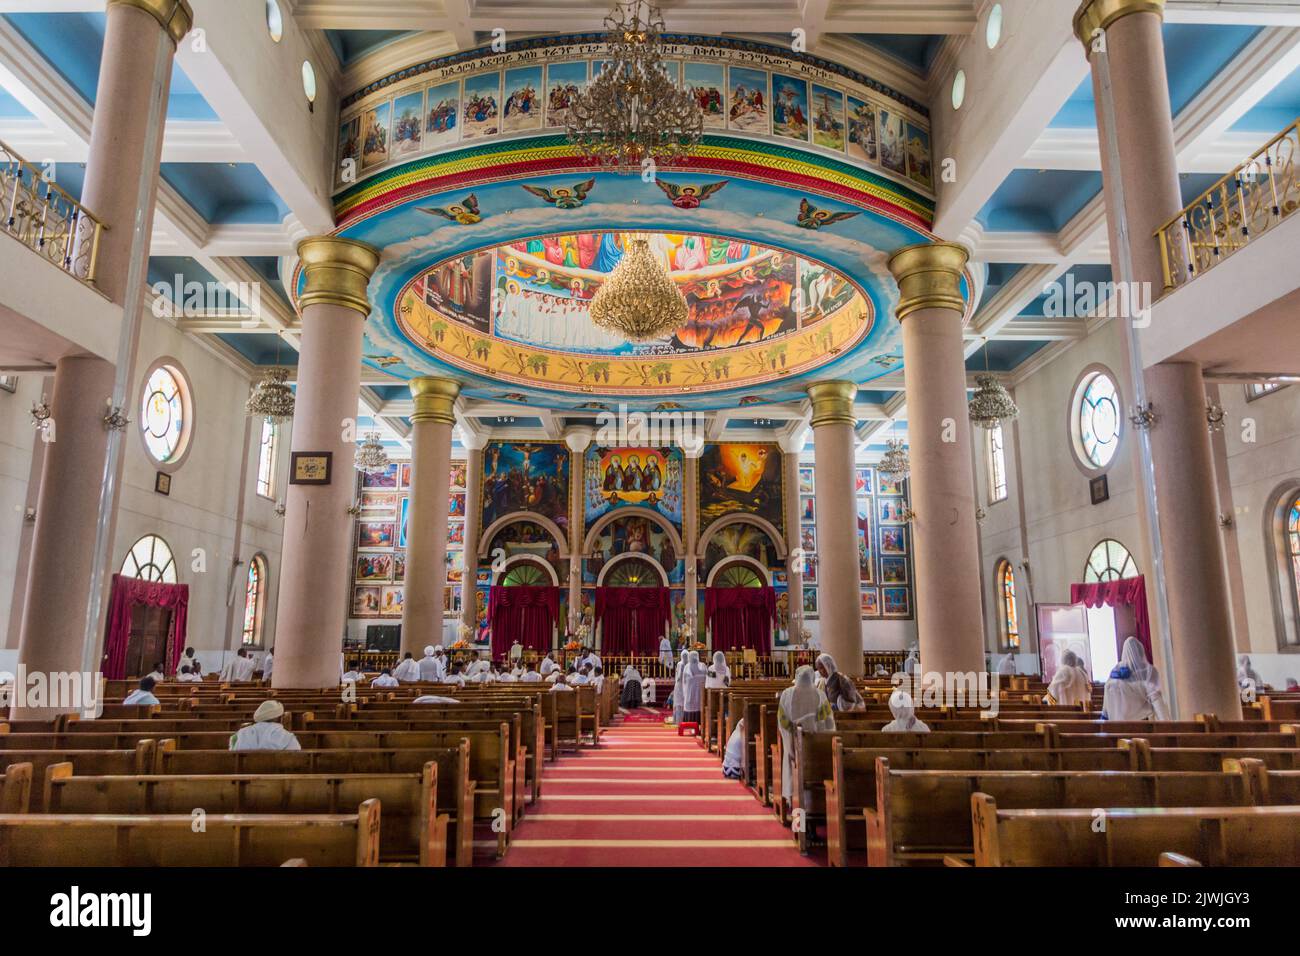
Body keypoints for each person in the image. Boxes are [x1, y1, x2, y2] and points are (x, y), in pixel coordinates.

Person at [776, 666, 834, 801]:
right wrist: (818, 734)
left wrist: (791, 736)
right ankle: (816, 801)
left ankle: (792, 797)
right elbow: (828, 722)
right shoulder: (820, 694)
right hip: (815, 743)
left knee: (792, 767)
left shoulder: (787, 694)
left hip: (794, 741)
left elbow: (782, 720)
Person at [1102, 637, 1169, 720]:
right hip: (1141, 727)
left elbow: (1105, 711)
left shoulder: (1113, 677)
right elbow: (1157, 701)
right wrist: (1166, 723)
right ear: (1141, 652)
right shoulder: (1148, 672)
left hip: (1116, 729)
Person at [229, 699, 301, 751]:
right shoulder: (289, 738)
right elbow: (297, 761)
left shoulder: (239, 735)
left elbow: (231, 756)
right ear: (280, 718)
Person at [668, 649, 689, 724]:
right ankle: (684, 720)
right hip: (685, 685)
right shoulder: (688, 664)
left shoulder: (680, 663)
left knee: (679, 703)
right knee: (683, 703)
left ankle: (678, 721)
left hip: (679, 685)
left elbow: (679, 676)